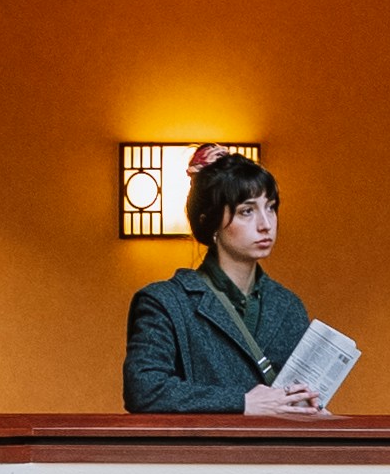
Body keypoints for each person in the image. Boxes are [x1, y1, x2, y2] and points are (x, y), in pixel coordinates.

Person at [122, 147, 331, 417]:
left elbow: (297, 398)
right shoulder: (165, 302)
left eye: (270, 207)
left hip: (278, 457)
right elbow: (145, 390)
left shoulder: (288, 305)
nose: (266, 224)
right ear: (210, 222)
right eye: (247, 211)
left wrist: (313, 409)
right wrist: (242, 403)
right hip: (203, 456)